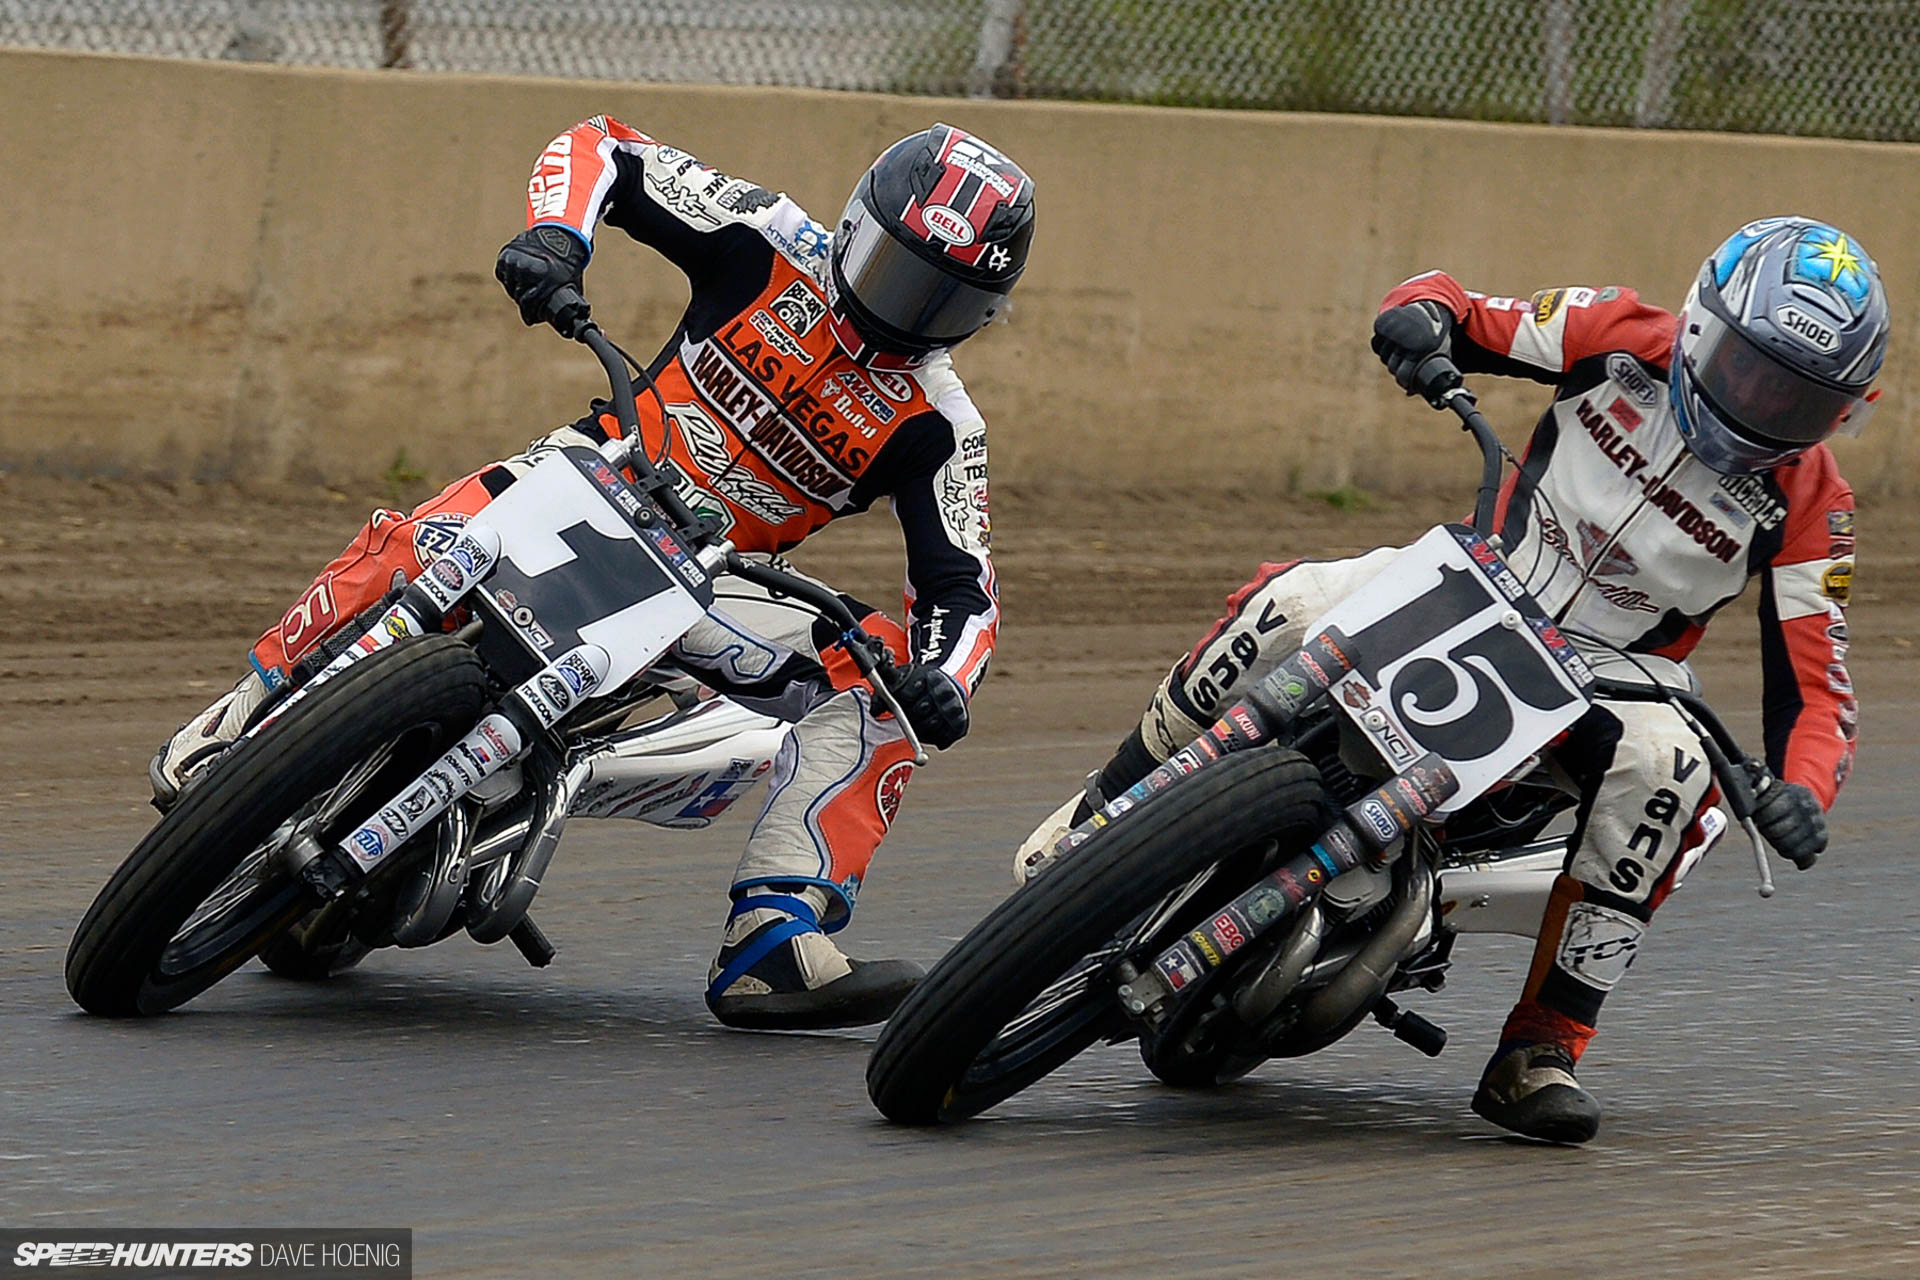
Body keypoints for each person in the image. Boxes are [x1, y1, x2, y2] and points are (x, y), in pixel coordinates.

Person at [153, 117, 1035, 1030]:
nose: (908, 309)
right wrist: (555, 238)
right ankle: (243, 717)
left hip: (711, 582)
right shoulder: (768, 236)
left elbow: (962, 590)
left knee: (883, 689)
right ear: (856, 228)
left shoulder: (940, 424)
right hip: (588, 477)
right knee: (417, 541)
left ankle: (774, 936)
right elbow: (607, 147)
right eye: (901, 273)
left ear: (982, 314)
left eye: (944, 299)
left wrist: (942, 677)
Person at [1015, 216, 1880, 1142]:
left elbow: (1817, 687)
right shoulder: (1617, 332)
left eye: (1795, 398)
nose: (1761, 405)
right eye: (1751, 370)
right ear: (1706, 328)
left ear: (1838, 411)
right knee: (1293, 599)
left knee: (1678, 778)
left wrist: (1799, 789)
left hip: (1612, 680)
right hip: (1474, 579)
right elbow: (1459, 307)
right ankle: (1099, 814)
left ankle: (1543, 1046)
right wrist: (1418, 318)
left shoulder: (1813, 503)